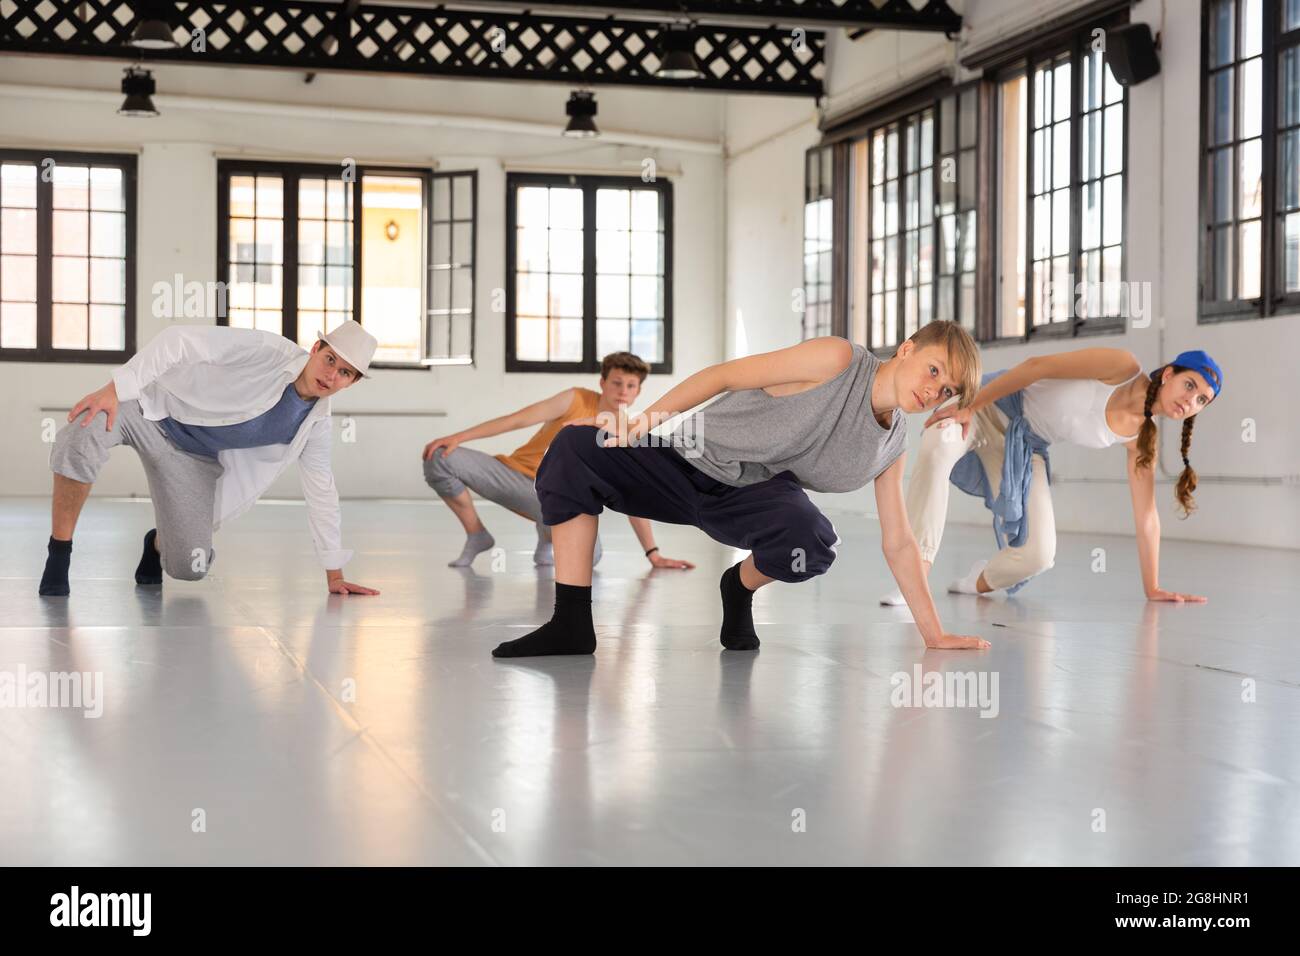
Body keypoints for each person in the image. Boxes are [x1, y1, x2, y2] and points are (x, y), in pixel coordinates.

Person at [490, 320, 991, 658]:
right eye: (933, 370)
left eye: (946, 391)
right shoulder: (838, 359)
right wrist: (644, 420)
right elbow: (723, 374)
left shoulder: (893, 442)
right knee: (577, 445)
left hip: (751, 492)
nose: (933, 390)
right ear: (906, 349)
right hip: (683, 457)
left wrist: (934, 633)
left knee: (812, 541)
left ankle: (739, 586)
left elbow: (899, 540)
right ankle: (572, 623)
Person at [39, 320, 380, 598]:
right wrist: (115, 389)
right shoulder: (267, 351)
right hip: (151, 410)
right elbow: (180, 339)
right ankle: (59, 552)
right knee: (81, 434)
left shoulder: (316, 423)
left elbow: (321, 490)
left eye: (346, 373)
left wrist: (334, 574)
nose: (331, 375)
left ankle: (157, 544)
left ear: (352, 383)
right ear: (316, 349)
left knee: (191, 567)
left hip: (194, 460)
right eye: (331, 360)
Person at [879, 347, 1221, 604]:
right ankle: (914, 582)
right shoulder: (1124, 367)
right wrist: (971, 404)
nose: (1190, 400)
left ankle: (976, 581)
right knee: (938, 447)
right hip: (989, 405)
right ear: (1168, 374)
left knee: (1039, 555)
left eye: (1201, 400)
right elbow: (1035, 367)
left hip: (1024, 445)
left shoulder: (1142, 438)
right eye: (1189, 385)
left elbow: (1147, 518)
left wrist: (1153, 588)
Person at [422, 351, 694, 572]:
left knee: (591, 557)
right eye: (616, 382)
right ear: (602, 383)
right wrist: (459, 436)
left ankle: (547, 534)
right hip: (516, 477)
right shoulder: (575, 398)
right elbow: (517, 419)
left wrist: (653, 554)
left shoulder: (625, 430)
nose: (623, 390)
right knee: (440, 457)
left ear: (637, 392)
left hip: (562, 497)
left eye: (630, 385)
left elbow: (632, 495)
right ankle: (477, 534)